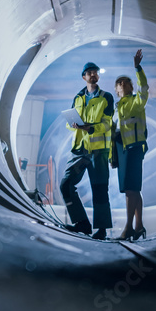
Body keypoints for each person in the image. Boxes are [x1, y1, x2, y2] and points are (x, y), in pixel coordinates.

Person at [60, 61, 115, 239]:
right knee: (66, 185)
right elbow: (69, 125)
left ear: (98, 76)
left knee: (99, 189)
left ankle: (102, 229)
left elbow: (107, 124)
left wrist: (89, 128)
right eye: (89, 72)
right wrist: (73, 125)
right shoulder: (78, 98)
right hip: (80, 150)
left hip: (98, 151)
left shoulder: (106, 98)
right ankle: (82, 223)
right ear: (84, 77)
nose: (93, 74)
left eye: (95, 72)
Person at [114, 49, 149, 241]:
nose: (123, 83)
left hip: (134, 148)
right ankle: (139, 226)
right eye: (119, 83)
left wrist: (137, 68)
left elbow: (144, 88)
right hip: (123, 151)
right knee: (134, 188)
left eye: (126, 82)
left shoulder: (137, 102)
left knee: (130, 189)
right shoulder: (116, 109)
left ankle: (128, 228)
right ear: (116, 90)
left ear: (131, 87)